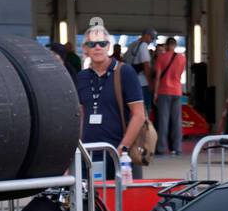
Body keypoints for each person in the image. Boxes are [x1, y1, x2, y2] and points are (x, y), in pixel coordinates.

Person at [76, 23, 146, 179]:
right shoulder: (81, 77)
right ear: (85, 49)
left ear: (109, 47)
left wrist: (123, 148)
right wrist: (77, 149)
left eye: (102, 43)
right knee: (90, 202)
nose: (97, 47)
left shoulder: (124, 72)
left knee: (120, 202)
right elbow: (81, 115)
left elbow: (139, 115)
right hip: (88, 155)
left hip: (118, 156)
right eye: (91, 44)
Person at [153, 36, 186, 156]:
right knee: (177, 121)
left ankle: (161, 148)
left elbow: (157, 77)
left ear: (167, 46)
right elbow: (180, 73)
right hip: (177, 91)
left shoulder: (161, 57)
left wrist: (155, 93)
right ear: (175, 45)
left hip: (163, 91)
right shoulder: (182, 58)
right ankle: (177, 148)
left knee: (163, 121)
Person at [123, 26, 156, 113]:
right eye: (152, 38)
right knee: (145, 109)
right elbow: (146, 65)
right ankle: (143, 126)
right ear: (147, 35)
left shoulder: (132, 44)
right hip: (142, 83)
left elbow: (124, 60)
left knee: (132, 109)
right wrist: (150, 83)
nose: (151, 41)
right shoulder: (143, 45)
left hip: (131, 81)